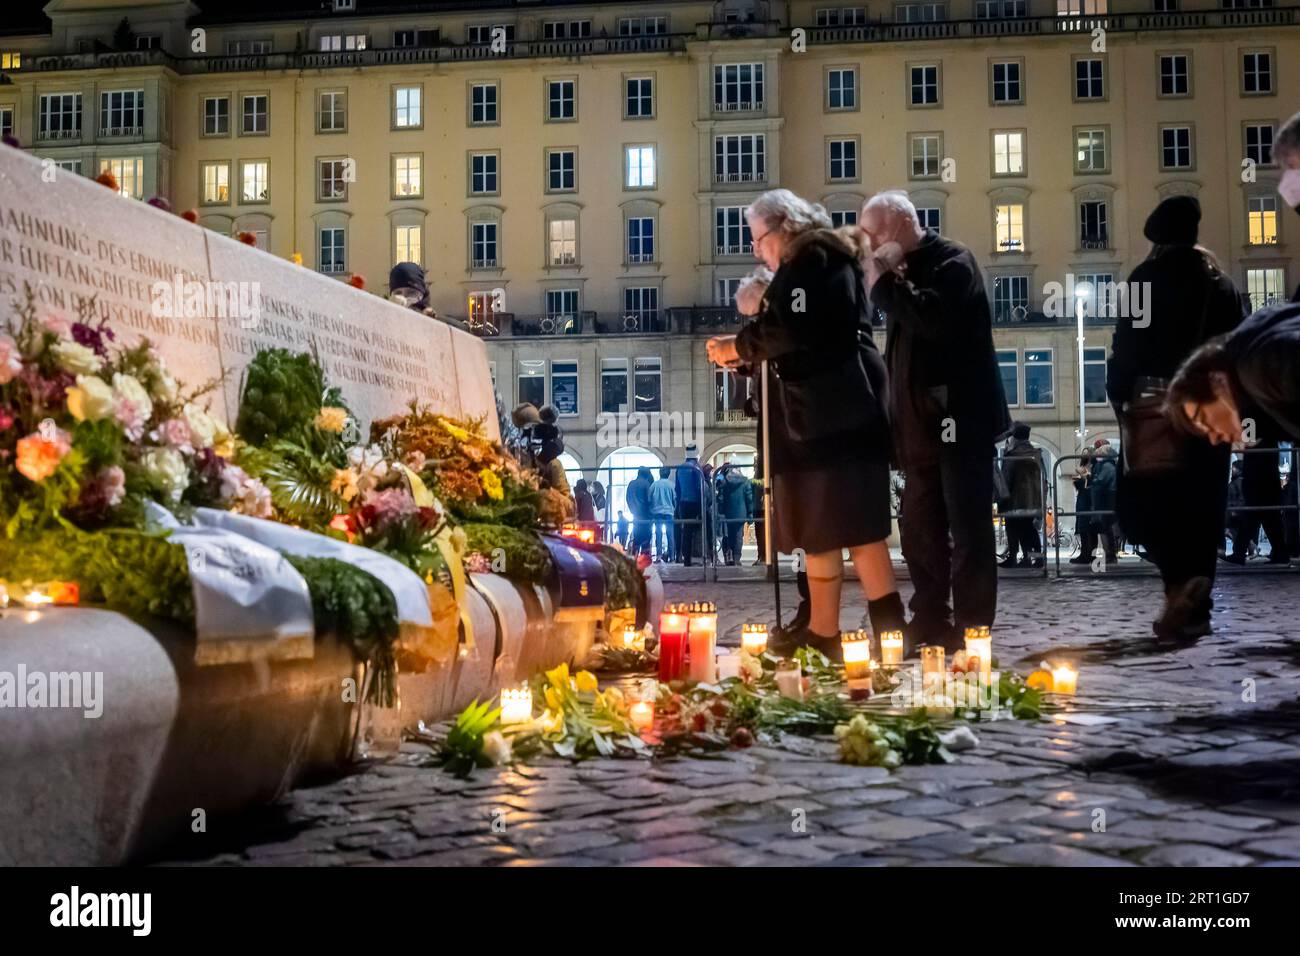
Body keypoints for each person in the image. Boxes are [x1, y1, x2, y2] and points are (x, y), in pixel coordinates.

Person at [706, 189, 906, 659]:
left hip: (830, 411)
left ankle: (833, 632)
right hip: (840, 405)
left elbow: (792, 329)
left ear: (785, 227)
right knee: (850, 528)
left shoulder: (811, 262)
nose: (757, 249)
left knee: (836, 526)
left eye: (759, 239)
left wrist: (738, 347)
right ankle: (870, 631)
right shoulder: (824, 260)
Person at [862, 190, 1011, 651]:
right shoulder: (905, 269)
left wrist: (886, 281)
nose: (868, 244)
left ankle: (971, 624)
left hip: (959, 420)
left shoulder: (954, 262)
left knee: (968, 528)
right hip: (918, 425)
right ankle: (929, 617)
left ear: (903, 225)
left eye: (874, 233)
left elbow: (934, 321)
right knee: (919, 528)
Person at [1108, 194, 1247, 641]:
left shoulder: (1143, 280)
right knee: (1204, 506)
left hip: (1157, 409)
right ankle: (1196, 602)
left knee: (1148, 503)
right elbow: (1237, 347)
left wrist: (1119, 396)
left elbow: (1124, 347)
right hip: (1211, 407)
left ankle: (1176, 589)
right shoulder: (1219, 284)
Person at [999, 422, 1047, 568]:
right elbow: (1043, 478)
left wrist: (999, 500)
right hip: (1033, 500)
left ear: (1013, 438)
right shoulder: (1036, 454)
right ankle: (1036, 558)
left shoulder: (1012, 455)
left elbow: (1005, 480)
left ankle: (1014, 557)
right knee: (1029, 530)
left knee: (1013, 528)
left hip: (1014, 501)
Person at [716, 463, 755, 565]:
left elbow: (720, 497)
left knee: (727, 535)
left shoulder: (725, 482)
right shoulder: (745, 482)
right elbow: (749, 498)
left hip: (727, 513)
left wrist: (721, 510)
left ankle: (728, 558)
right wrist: (750, 513)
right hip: (741, 513)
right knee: (738, 536)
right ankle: (736, 559)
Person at [674, 445, 707, 566]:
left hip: (683, 503)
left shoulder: (680, 468)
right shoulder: (696, 469)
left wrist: (678, 506)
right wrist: (701, 506)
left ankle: (686, 559)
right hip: (695, 503)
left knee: (686, 531)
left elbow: (677, 489)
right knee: (699, 530)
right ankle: (699, 557)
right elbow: (699, 489)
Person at [1089, 439, 1118, 563]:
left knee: (1105, 528)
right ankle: (1110, 553)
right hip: (1107, 497)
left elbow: (1100, 482)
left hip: (1106, 499)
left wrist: (1091, 479)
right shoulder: (1109, 465)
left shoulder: (1106, 466)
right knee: (1105, 528)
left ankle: (1110, 554)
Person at [1070, 449, 1096, 564]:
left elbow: (1091, 483)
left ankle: (1091, 554)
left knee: (1091, 528)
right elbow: (1076, 482)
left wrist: (1085, 476)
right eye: (1083, 453)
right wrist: (1081, 477)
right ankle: (1085, 553)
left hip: (1090, 500)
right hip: (1082, 499)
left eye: (1087, 453)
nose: (1084, 455)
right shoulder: (1080, 468)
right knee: (1083, 527)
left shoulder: (1094, 467)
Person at [649, 466, 677, 562]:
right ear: (668, 474)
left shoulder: (654, 485)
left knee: (658, 534)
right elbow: (675, 499)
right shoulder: (671, 485)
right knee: (670, 535)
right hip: (669, 512)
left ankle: (659, 556)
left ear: (659, 473)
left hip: (657, 512)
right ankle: (672, 557)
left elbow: (649, 499)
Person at [625, 466, 654, 555]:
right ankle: (644, 560)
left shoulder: (631, 484)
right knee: (646, 540)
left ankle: (634, 559)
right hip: (646, 516)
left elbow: (627, 499)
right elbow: (649, 500)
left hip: (635, 515)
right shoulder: (646, 484)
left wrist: (632, 510)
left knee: (636, 539)